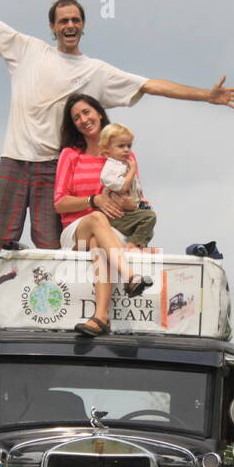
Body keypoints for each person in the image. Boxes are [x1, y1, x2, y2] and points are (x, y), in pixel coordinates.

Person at [0, 0, 234, 334]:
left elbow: (150, 85)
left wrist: (205, 95)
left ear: (83, 26)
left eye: (75, 20)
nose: (69, 25)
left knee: (52, 250)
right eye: (62, 21)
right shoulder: (28, 50)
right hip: (15, 158)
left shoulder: (95, 72)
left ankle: (53, 316)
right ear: (52, 28)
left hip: (53, 167)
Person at [53, 95, 152, 336]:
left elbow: (139, 202)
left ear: (99, 113)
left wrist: (130, 203)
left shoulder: (125, 156)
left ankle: (100, 317)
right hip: (77, 232)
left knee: (100, 240)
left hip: (112, 231)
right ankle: (130, 277)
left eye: (87, 112)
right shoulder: (70, 155)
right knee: (97, 219)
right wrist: (93, 201)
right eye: (76, 117)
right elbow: (59, 203)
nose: (83, 120)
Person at [97, 123, 156, 249]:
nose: (126, 149)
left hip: (126, 212)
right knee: (149, 218)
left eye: (129, 146)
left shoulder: (124, 165)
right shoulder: (110, 168)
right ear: (107, 149)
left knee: (148, 223)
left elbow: (133, 189)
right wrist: (133, 170)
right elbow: (122, 187)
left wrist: (140, 200)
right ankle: (132, 246)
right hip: (116, 216)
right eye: (121, 146)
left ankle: (137, 246)